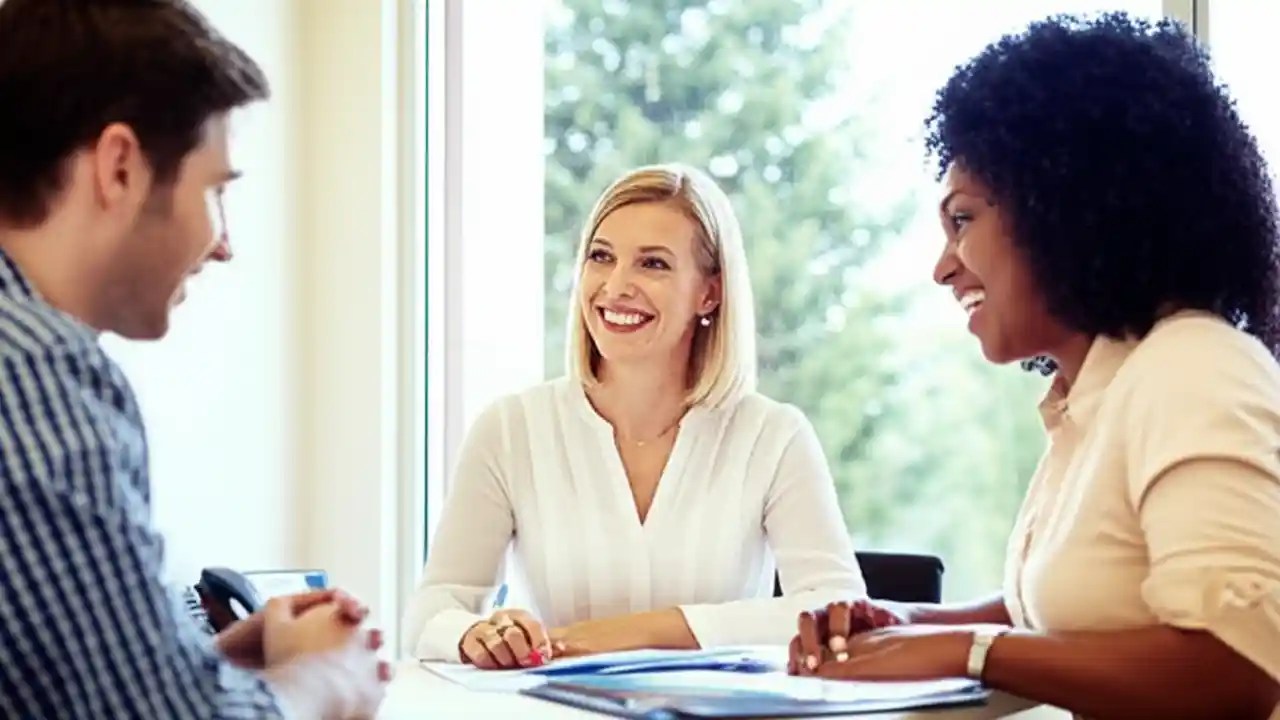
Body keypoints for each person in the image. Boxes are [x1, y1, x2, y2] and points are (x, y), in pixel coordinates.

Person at [787, 12, 1280, 719]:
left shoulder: (1195, 369)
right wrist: (913, 626)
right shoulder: (1099, 393)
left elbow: (1233, 670)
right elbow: (1068, 615)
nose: (942, 268)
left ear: (1067, 201)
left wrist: (970, 649)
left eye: (962, 220)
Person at [0, 1, 389, 717]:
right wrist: (328, 682)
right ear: (119, 166)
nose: (223, 244)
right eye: (214, 191)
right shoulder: (38, 376)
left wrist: (187, 661)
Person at [402, 163, 866, 668]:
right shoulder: (511, 428)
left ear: (709, 292)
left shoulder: (773, 435)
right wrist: (477, 634)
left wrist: (625, 634)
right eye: (601, 257)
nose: (616, 285)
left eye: (653, 264)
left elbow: (833, 609)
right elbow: (433, 610)